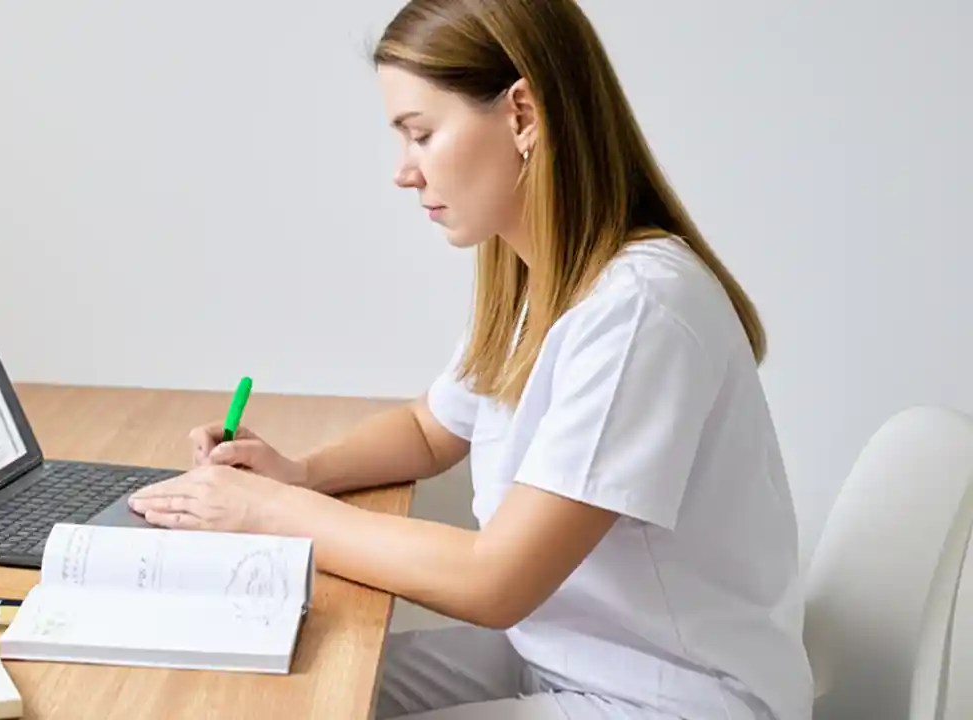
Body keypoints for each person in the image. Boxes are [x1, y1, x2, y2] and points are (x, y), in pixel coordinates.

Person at [128, 0, 814, 718]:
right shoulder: (535, 276)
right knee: (285, 691)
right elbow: (432, 429)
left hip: (666, 697)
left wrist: (274, 511)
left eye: (421, 135)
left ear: (522, 115)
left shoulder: (640, 310)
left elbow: (496, 583)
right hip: (557, 656)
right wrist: (302, 473)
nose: (404, 172)